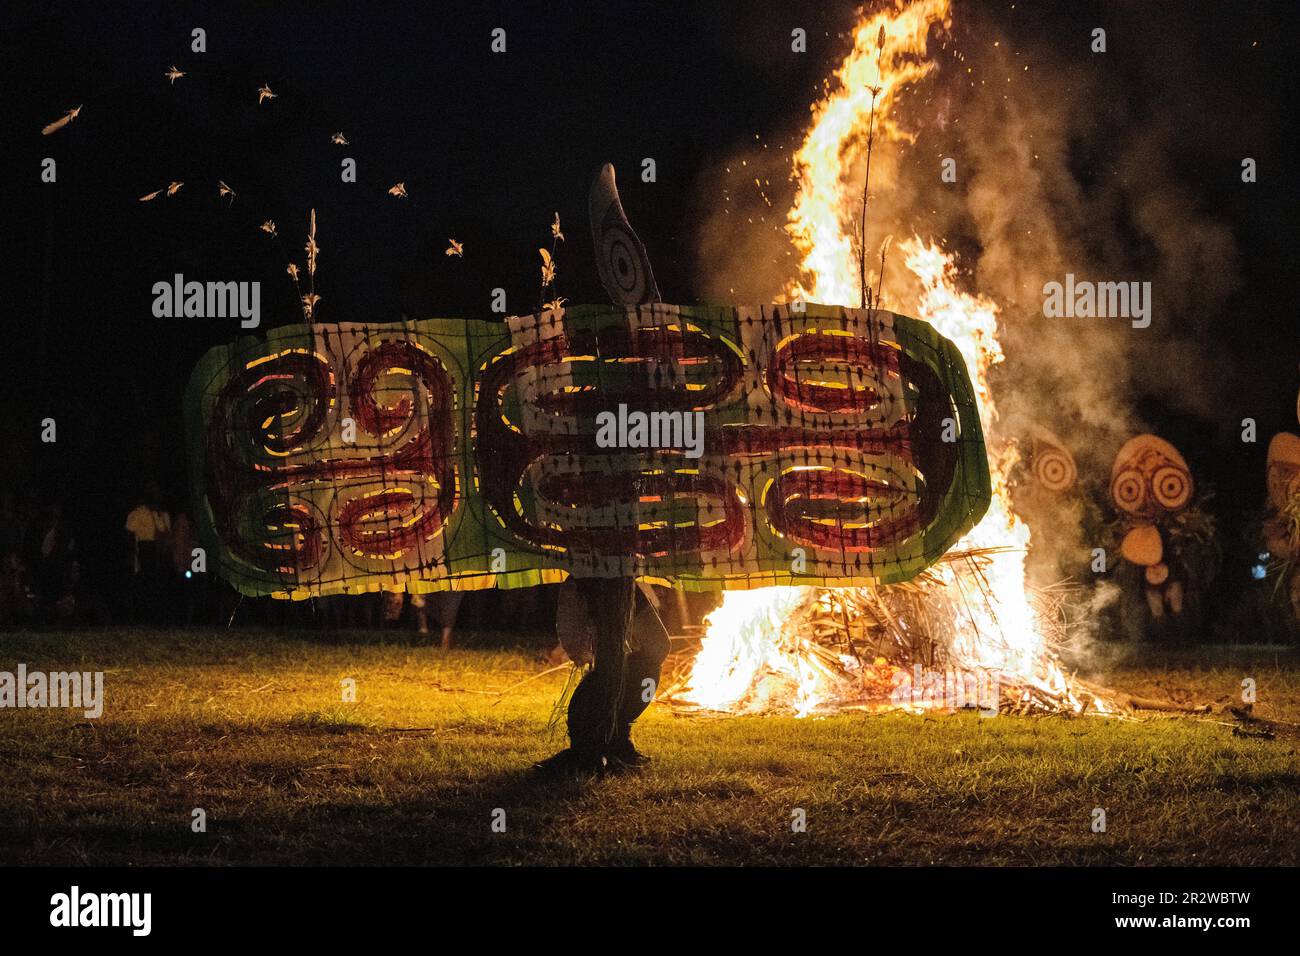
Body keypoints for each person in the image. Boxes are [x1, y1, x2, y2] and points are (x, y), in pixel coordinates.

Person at [535, 578, 671, 777]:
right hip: (599, 571)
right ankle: (595, 742)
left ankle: (611, 736)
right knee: (614, 653)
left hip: (616, 569)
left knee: (639, 650)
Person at [125, 483, 171, 623]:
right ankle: (142, 617)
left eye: (159, 493)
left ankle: (157, 617)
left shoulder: (163, 514)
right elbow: (129, 533)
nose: (158, 496)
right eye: (155, 493)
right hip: (146, 550)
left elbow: (167, 534)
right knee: (145, 584)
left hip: (160, 551)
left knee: (159, 585)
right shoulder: (140, 512)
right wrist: (133, 555)